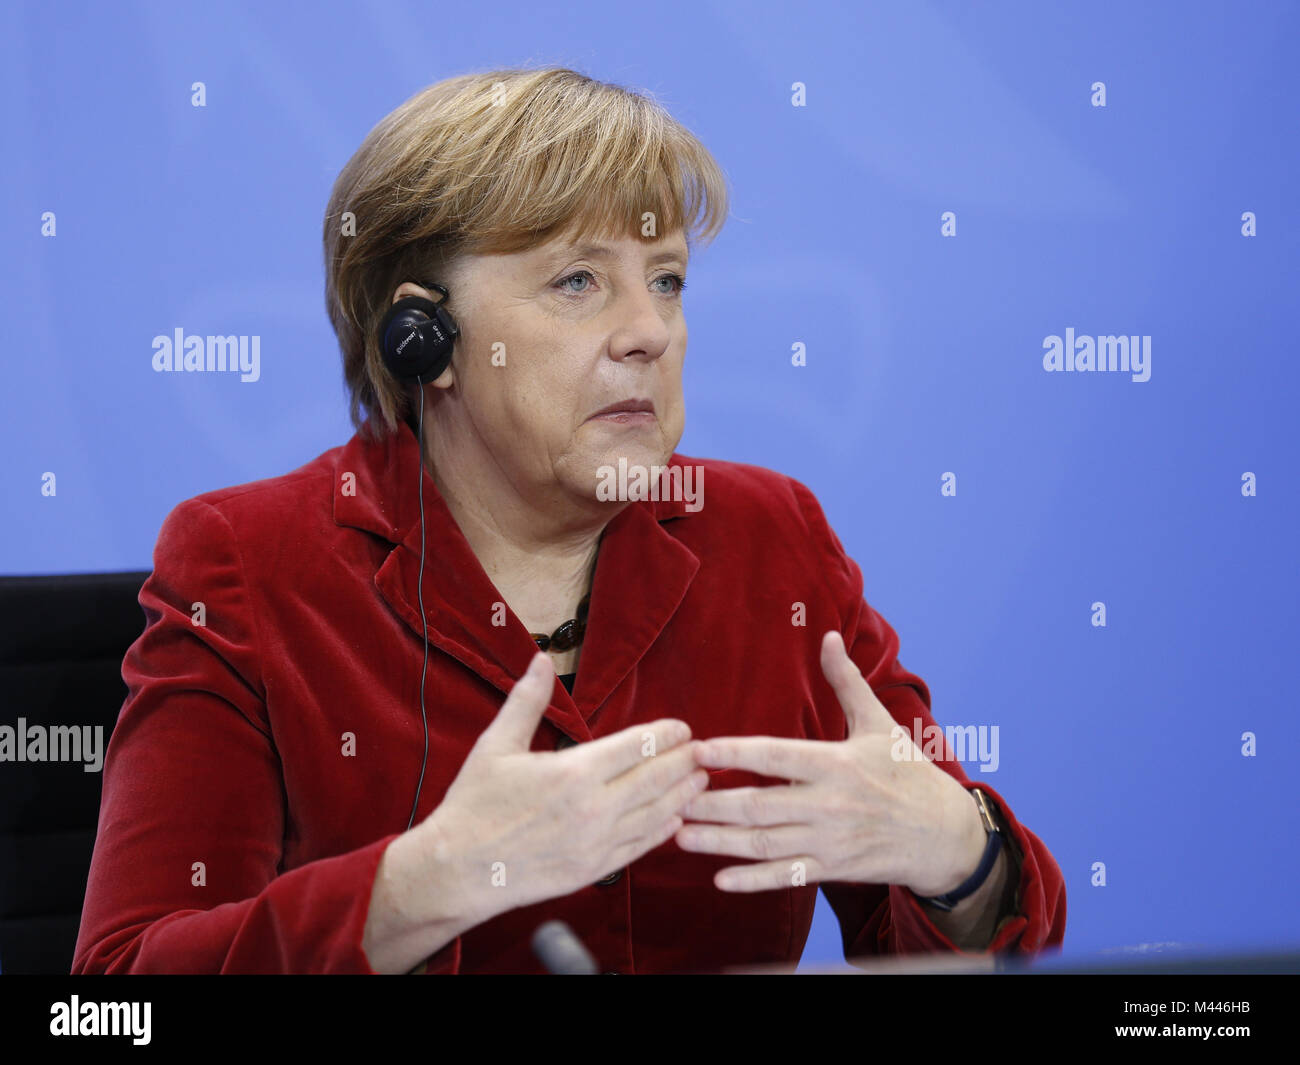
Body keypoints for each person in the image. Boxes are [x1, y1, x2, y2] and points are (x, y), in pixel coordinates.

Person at [72, 66, 1065, 975]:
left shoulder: (769, 538)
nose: (647, 333)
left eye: (666, 280)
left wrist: (959, 857)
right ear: (427, 340)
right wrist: (414, 889)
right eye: (577, 282)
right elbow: (118, 992)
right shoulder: (250, 564)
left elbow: (985, 932)